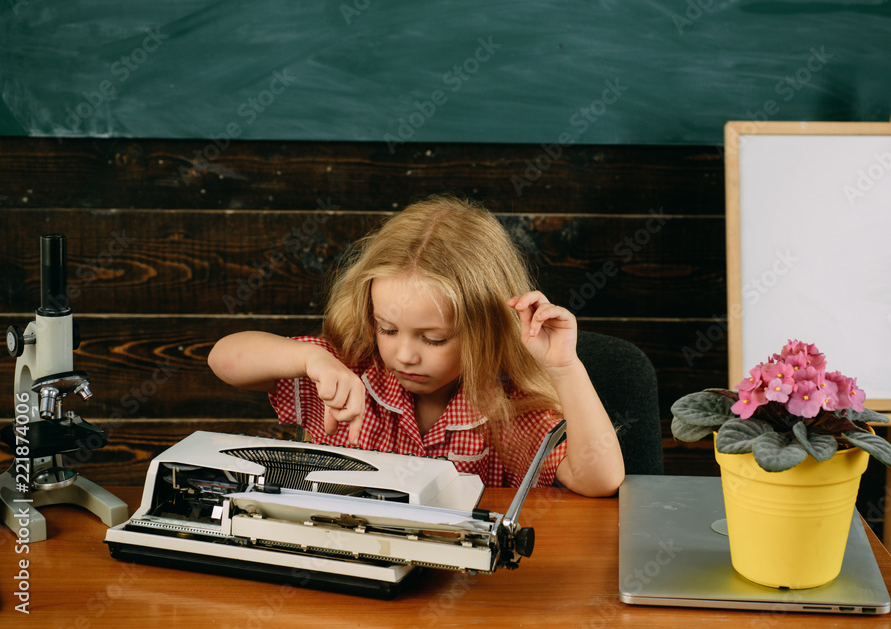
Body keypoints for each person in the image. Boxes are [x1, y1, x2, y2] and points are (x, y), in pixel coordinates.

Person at [208, 196, 624, 497]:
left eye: (434, 338)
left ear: (486, 330)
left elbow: (599, 480)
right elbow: (223, 358)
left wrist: (565, 369)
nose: (405, 355)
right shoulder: (345, 373)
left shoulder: (506, 409)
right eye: (387, 329)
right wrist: (310, 358)